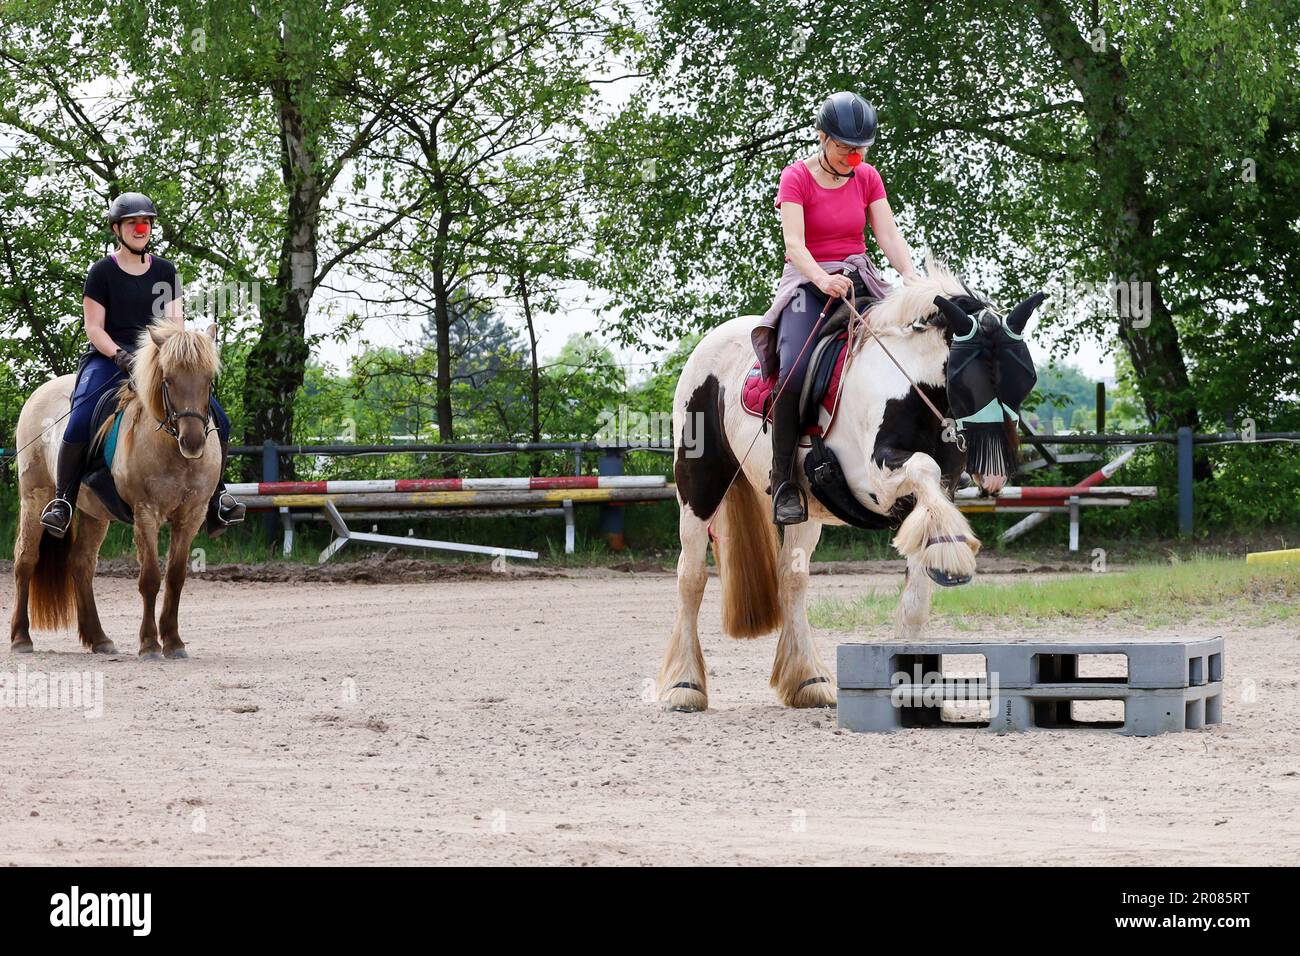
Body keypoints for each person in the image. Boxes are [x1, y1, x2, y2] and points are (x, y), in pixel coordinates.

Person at [753, 91, 921, 525]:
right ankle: (785, 480)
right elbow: (795, 245)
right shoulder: (796, 178)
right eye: (847, 146)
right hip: (809, 282)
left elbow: (887, 234)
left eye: (862, 147)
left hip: (860, 276)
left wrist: (912, 277)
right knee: (792, 370)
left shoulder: (867, 177)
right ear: (824, 138)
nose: (855, 155)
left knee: (911, 345)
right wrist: (822, 278)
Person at [39, 192, 246, 539]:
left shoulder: (165, 270)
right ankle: (63, 501)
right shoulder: (102, 272)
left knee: (218, 418)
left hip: (159, 360)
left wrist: (166, 355)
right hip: (110, 359)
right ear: (117, 229)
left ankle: (217, 497)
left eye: (146, 222)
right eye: (133, 223)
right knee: (79, 418)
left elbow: (174, 324)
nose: (141, 228)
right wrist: (120, 355)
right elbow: (94, 327)